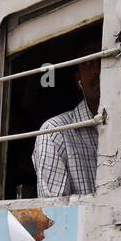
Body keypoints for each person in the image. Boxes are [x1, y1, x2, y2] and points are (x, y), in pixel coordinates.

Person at [32, 45, 100, 197]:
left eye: (103, 61)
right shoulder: (54, 133)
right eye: (88, 63)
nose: (97, 71)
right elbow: (57, 214)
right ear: (78, 80)